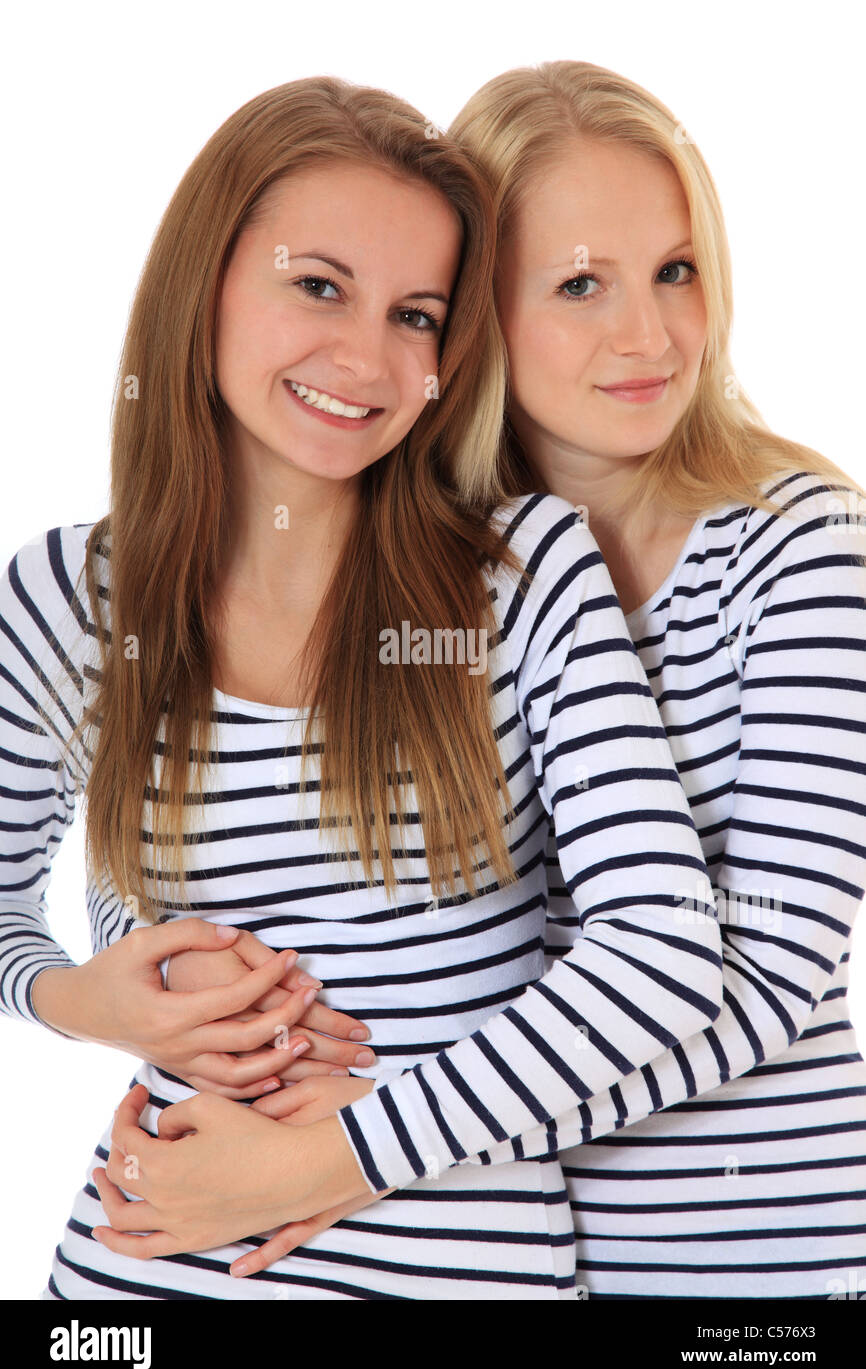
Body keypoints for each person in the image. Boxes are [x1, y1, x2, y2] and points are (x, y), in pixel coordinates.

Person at [0, 75, 724, 1300]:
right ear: (208, 278)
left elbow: (660, 955)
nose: (364, 355)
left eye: (416, 314)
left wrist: (331, 1155)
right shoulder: (72, 594)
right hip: (137, 1281)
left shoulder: (521, 577)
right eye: (318, 285)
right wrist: (80, 997)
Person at [250, 60, 866, 1300]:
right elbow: (235, 828)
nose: (647, 336)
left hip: (750, 1257)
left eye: (673, 271)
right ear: (475, 311)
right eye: (580, 283)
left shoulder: (798, 545)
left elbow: (760, 975)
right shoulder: (426, 569)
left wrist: (361, 1144)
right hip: (473, 1249)